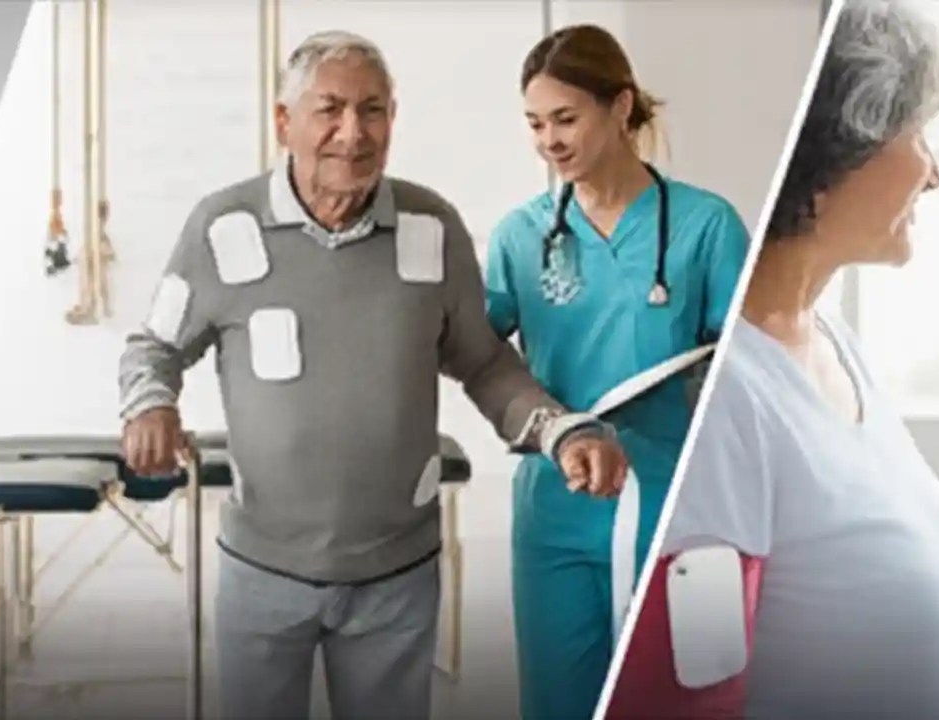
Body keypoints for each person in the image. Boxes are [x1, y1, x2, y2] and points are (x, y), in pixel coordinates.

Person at [118, 30, 629, 720]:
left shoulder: (432, 226)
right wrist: (150, 405)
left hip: (397, 576)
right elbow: (154, 346)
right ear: (284, 122)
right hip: (261, 572)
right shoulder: (221, 227)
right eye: (329, 110)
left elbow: (483, 362)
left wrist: (562, 432)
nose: (352, 134)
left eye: (374, 111)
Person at [606, 1, 939, 718]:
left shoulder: (832, 340)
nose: (933, 173)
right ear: (835, 155)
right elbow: (687, 699)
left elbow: (832, 602)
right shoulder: (733, 397)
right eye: (918, 135)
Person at [484, 24, 749, 720]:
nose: (549, 140)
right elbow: (477, 353)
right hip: (555, 510)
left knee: (665, 703)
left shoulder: (705, 226)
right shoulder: (521, 235)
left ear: (621, 106)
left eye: (566, 118)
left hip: (672, 508)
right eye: (536, 124)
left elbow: (751, 371)